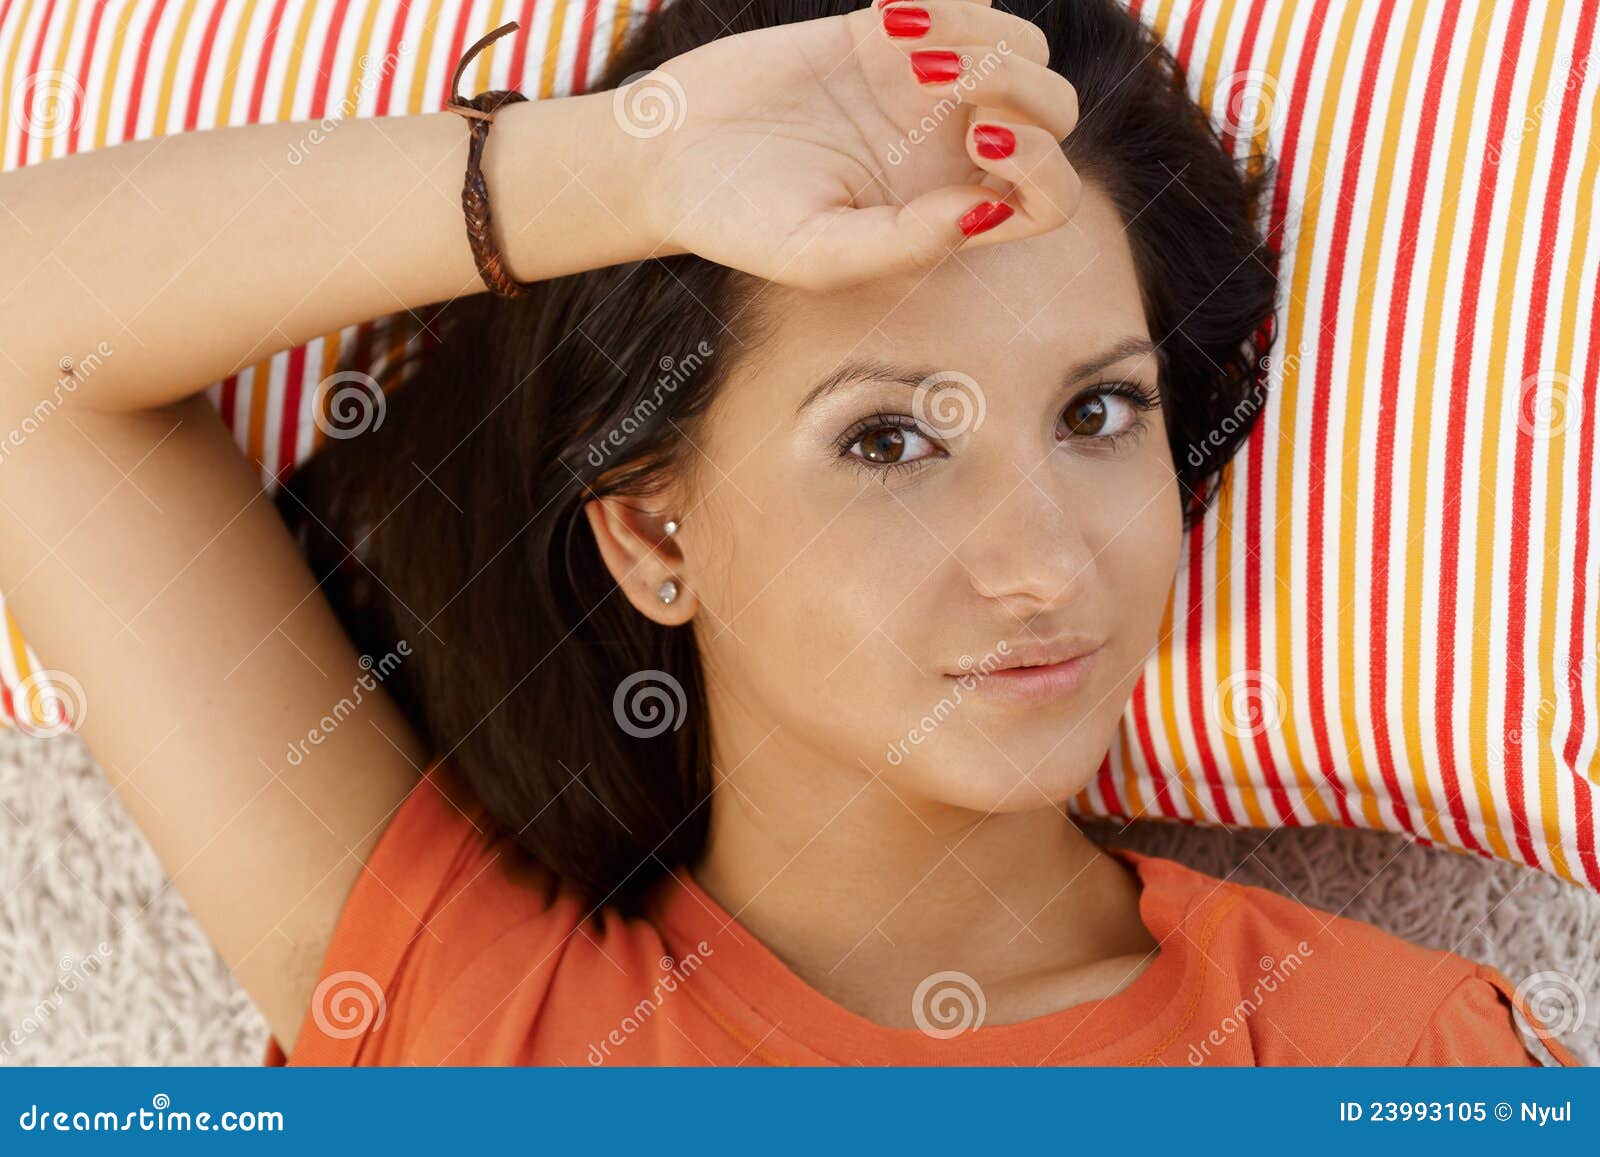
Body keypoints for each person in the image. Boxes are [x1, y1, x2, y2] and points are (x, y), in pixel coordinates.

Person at [0, 0, 1577, 1066]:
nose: (1043, 561)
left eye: (1097, 413)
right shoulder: (480, 1003)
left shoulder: (1380, 1050)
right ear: (649, 532)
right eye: (889, 439)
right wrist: (624, 168)